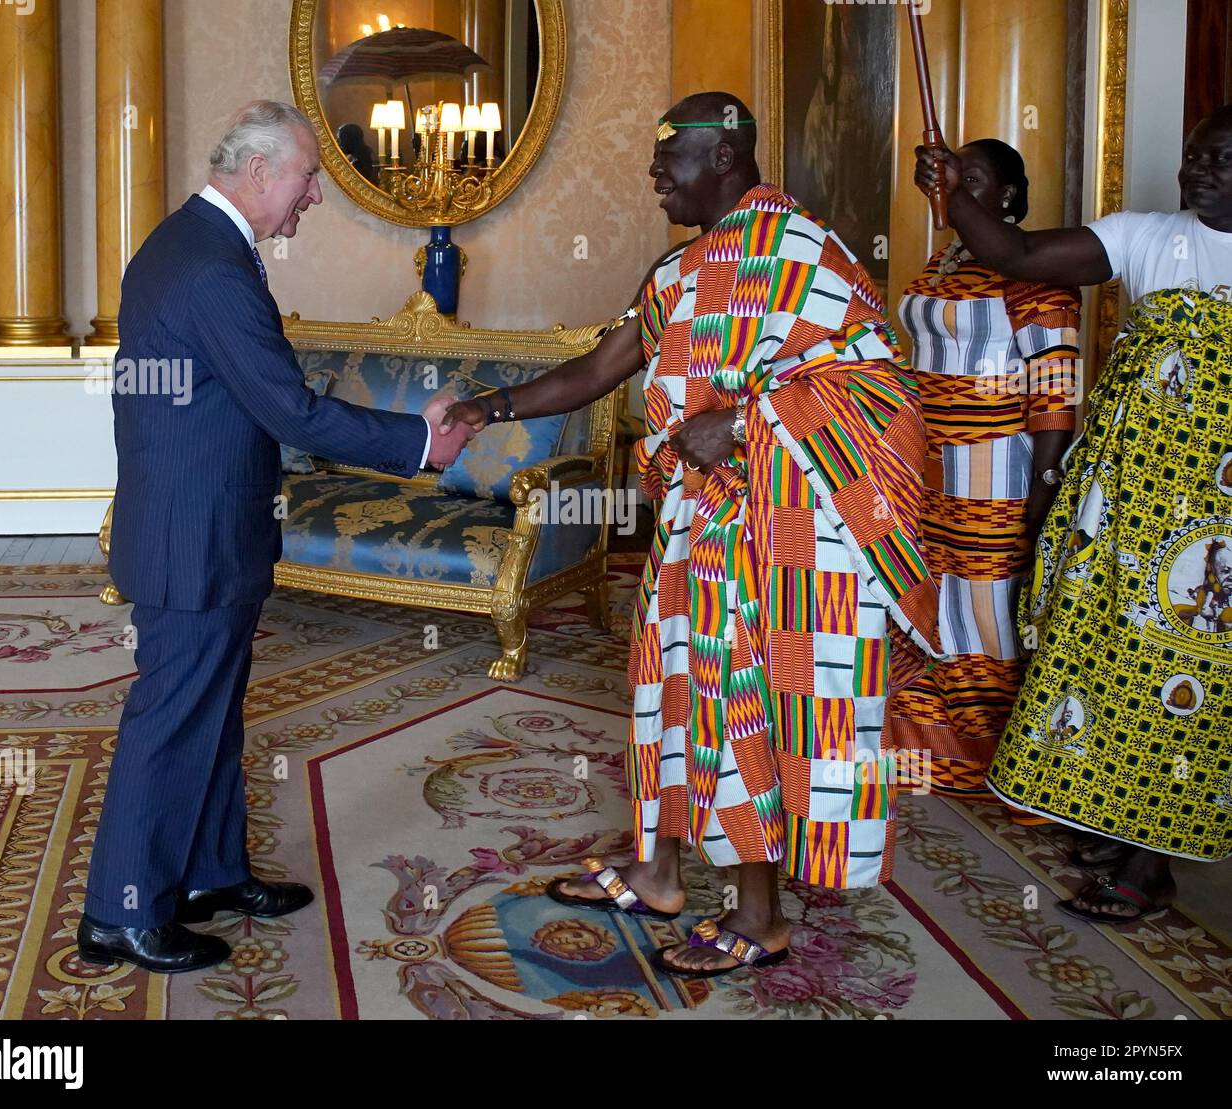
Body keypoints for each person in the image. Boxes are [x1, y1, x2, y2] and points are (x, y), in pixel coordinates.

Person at [442, 92, 938, 977]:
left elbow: (883, 389)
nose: (654, 175)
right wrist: (492, 404)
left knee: (735, 703)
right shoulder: (677, 272)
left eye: (670, 159)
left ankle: (762, 914)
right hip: (693, 529)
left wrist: (746, 422)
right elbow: (603, 366)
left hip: (779, 537)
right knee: (670, 692)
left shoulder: (805, 253)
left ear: (725, 157)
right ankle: (658, 871)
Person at [81, 101, 467, 974]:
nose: (315, 197)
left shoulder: (191, 242)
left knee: (212, 717)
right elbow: (288, 409)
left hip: (208, 523)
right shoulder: (210, 265)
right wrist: (419, 441)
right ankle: (119, 911)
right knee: (173, 722)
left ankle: (212, 871)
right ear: (258, 172)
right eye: (307, 176)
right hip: (194, 535)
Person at [914, 105, 1232, 923]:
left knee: (1184, 673)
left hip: (1214, 519)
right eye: (1196, 155)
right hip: (1129, 492)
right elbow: (1014, 253)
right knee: (1099, 647)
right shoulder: (1146, 236)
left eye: (1222, 159)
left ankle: (1150, 861)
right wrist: (956, 192)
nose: (1199, 171)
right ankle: (1115, 827)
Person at [890, 140, 1081, 798]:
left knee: (984, 603)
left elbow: (1057, 382)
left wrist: (1045, 483)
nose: (954, 187)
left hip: (993, 466)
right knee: (934, 594)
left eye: (970, 178)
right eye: (948, 177)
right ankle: (931, 746)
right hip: (927, 462)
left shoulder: (1032, 269)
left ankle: (989, 752)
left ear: (1004, 196)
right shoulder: (943, 260)